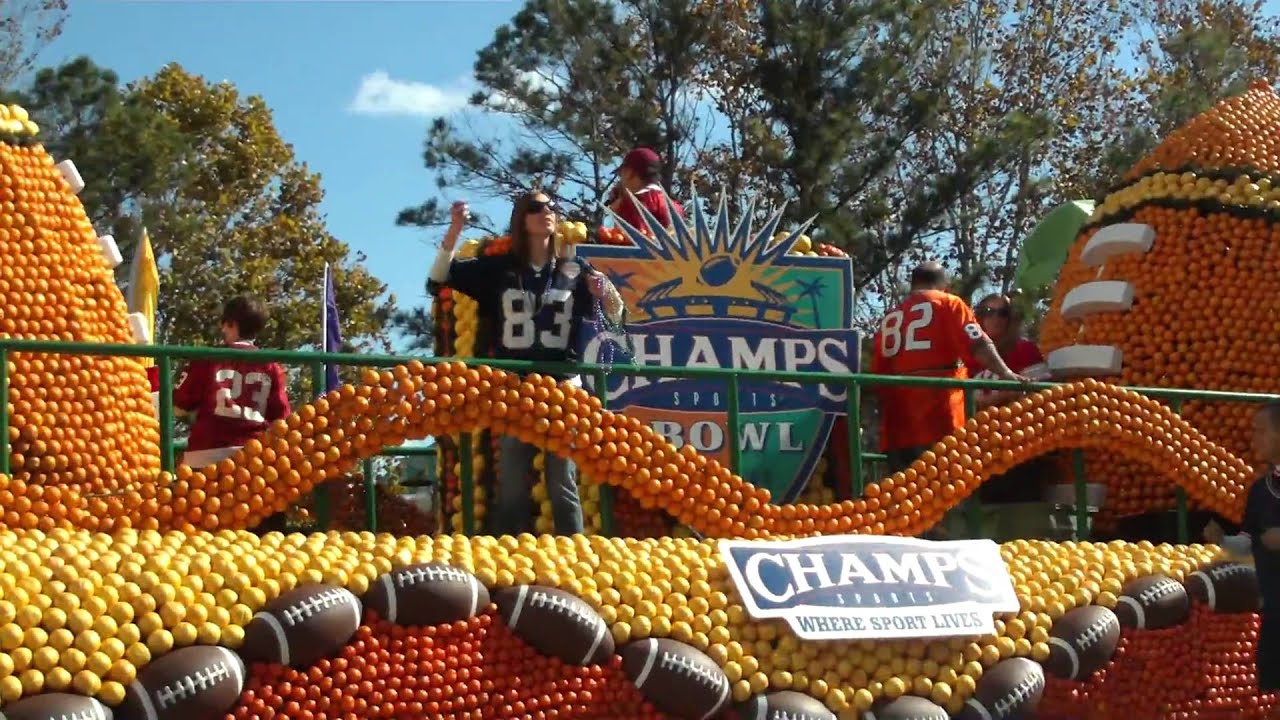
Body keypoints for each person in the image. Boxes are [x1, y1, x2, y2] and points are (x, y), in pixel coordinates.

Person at [428, 193, 625, 536]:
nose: (546, 213)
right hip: (515, 386)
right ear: (521, 219)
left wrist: (605, 292)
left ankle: (573, 553)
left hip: (563, 386)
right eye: (536, 208)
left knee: (562, 480)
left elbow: (618, 313)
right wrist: (455, 230)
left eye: (551, 207)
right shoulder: (499, 267)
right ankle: (507, 556)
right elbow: (438, 280)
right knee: (513, 484)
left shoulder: (574, 268)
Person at [870, 262, 1029, 476]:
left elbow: (877, 376)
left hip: (897, 428)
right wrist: (1006, 374)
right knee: (946, 498)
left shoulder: (891, 318)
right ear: (943, 285)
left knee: (907, 501)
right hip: (940, 421)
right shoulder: (950, 303)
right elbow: (978, 343)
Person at [174, 295, 292, 531]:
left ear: (231, 324)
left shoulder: (207, 359)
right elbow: (282, 420)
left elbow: (178, 407)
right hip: (253, 462)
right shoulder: (272, 367)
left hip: (205, 460)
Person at [1205, 403, 1280, 715]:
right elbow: (1249, 542)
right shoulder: (1260, 492)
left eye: (1261, 431)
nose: (1254, 438)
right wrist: (1223, 540)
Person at [963, 293, 1056, 540]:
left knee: (1020, 530)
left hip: (1017, 449)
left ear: (1011, 318)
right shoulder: (968, 358)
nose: (992, 318)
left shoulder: (1024, 350)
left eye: (1001, 312)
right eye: (985, 311)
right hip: (978, 452)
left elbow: (1037, 391)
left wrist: (989, 401)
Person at [608, 147, 685, 231]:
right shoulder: (676, 207)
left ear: (629, 173)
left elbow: (628, 240)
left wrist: (620, 211)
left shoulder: (633, 204)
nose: (620, 181)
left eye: (620, 175)